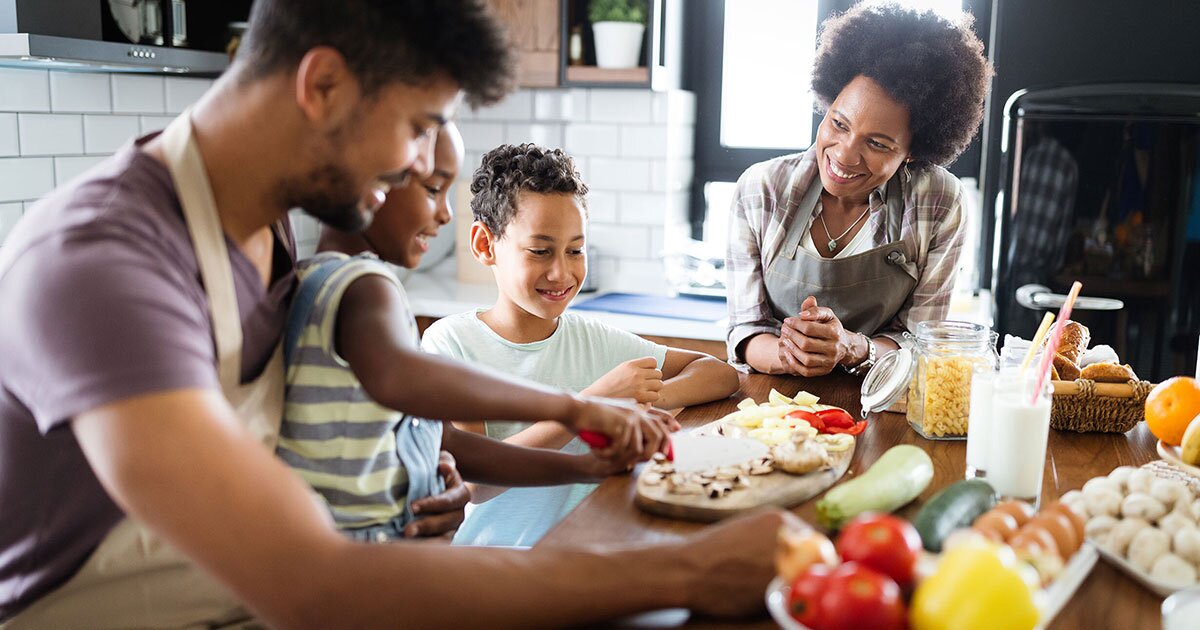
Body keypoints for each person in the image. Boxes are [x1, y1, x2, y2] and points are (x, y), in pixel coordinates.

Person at [0, 1, 792, 626]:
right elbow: (312, 585)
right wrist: (687, 571)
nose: (421, 166)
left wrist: (421, 470)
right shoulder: (99, 265)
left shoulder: (268, 236)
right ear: (323, 86)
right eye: (418, 128)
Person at [280, 125, 664, 542]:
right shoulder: (364, 285)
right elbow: (405, 377)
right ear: (374, 182)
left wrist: (586, 467)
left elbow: (456, 447)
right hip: (363, 549)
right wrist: (575, 409)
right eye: (433, 189)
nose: (445, 214)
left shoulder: (325, 276)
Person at [421, 143, 740, 547]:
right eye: (540, 251)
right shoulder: (451, 342)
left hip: (593, 548)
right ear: (486, 245)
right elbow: (476, 482)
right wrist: (591, 406)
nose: (562, 272)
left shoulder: (592, 339)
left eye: (575, 250)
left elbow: (719, 374)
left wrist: (635, 404)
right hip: (501, 562)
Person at [726, 3, 993, 377]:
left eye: (877, 144)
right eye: (839, 124)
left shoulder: (939, 202)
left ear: (913, 152)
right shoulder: (762, 189)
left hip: (884, 399)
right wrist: (793, 355)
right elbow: (747, 328)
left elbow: (920, 345)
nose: (844, 155)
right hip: (775, 402)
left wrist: (851, 348)